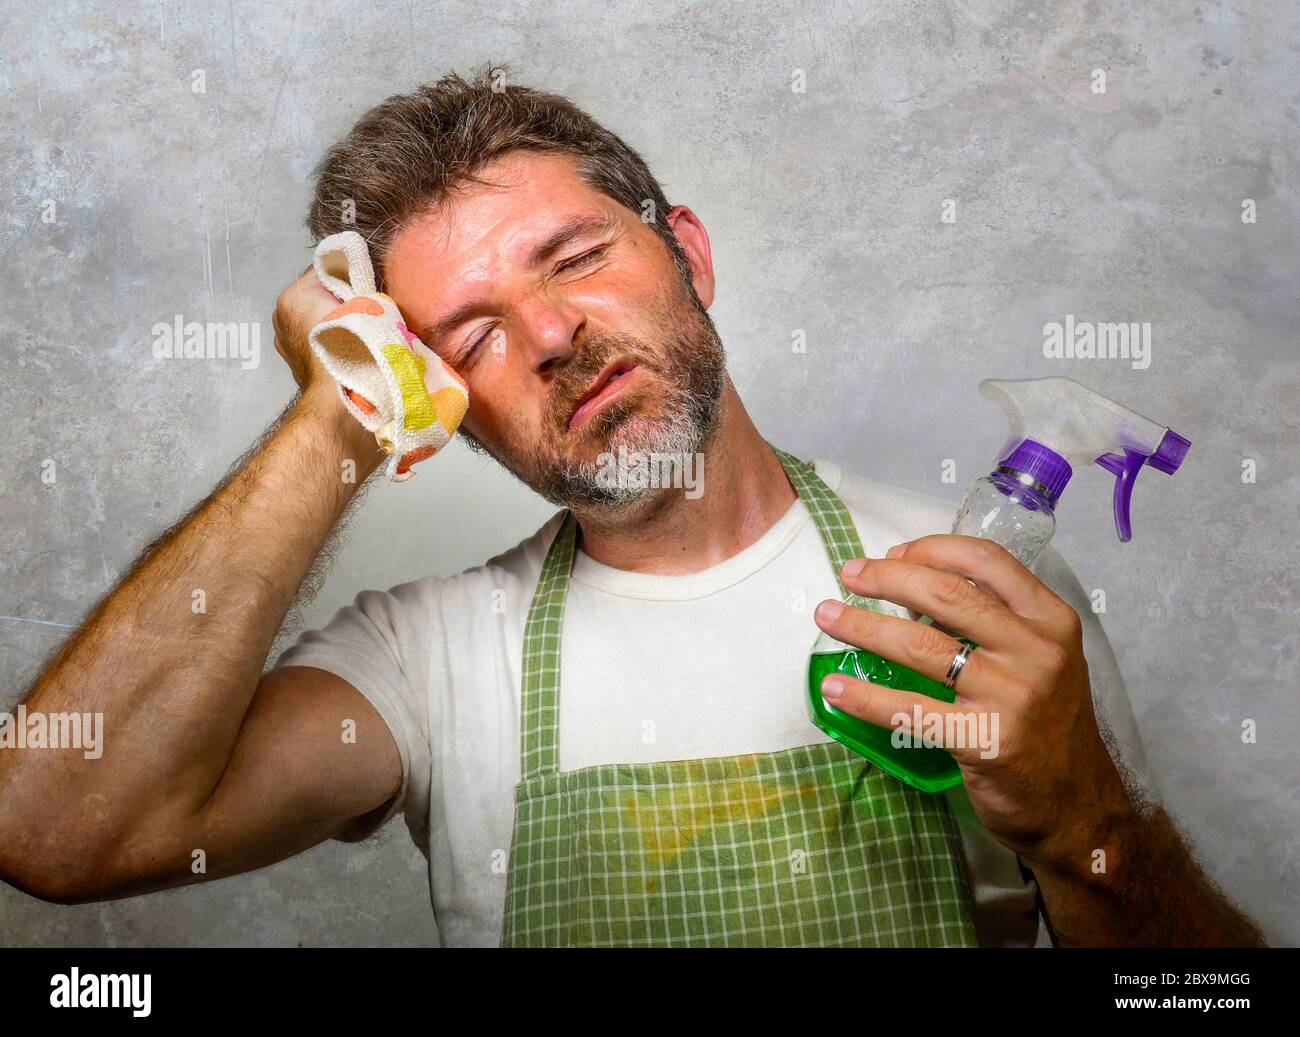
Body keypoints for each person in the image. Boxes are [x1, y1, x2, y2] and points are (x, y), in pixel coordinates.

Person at [0, 67, 1264, 948]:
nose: (552, 334)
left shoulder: (978, 592)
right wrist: (335, 407)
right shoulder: (425, 662)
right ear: (437, 405)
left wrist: (1087, 819)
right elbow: (58, 832)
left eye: (578, 257)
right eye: (473, 333)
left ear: (693, 257)